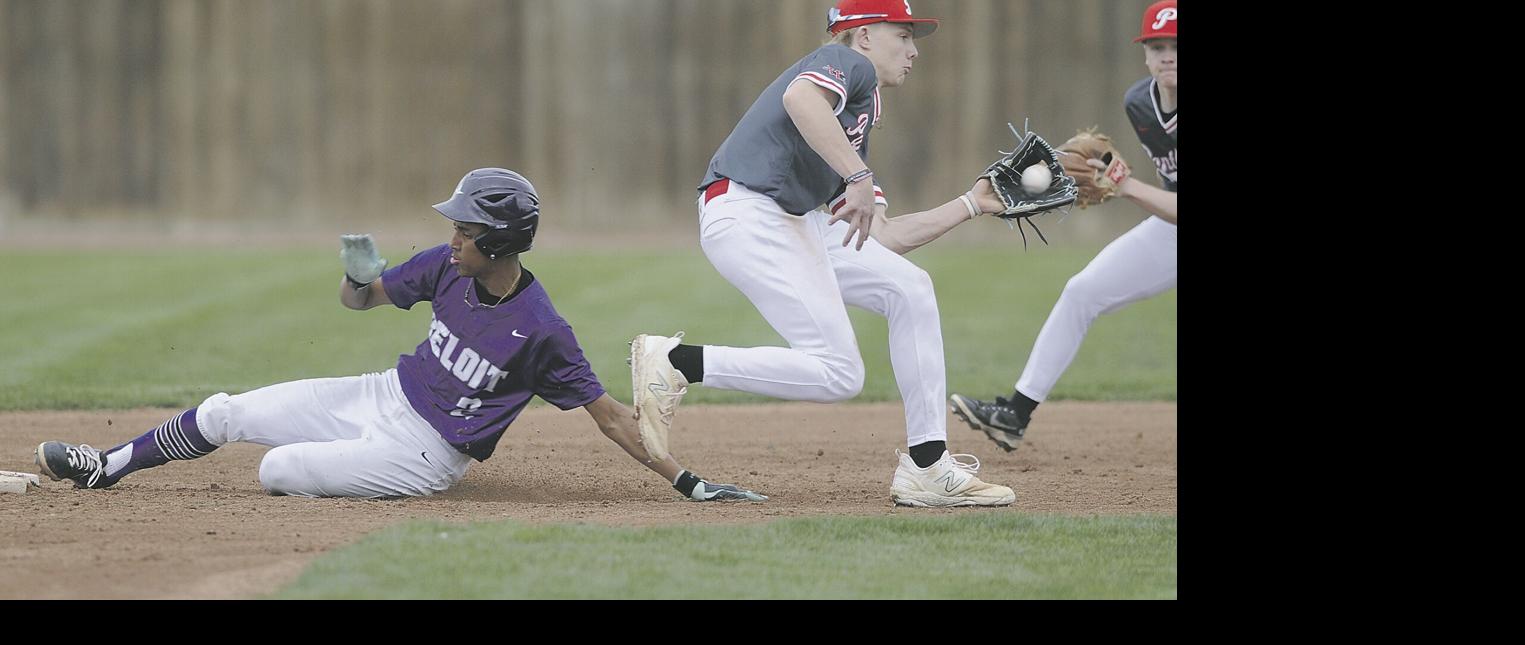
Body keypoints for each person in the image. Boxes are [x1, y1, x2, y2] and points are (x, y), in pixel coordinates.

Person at [33, 167, 765, 503]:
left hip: (426, 453)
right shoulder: (445, 267)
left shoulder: (542, 330)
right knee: (228, 410)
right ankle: (105, 465)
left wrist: (686, 480)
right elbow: (363, 300)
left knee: (276, 470)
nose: (452, 236)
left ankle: (346, 479)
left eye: (465, 227)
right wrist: (356, 277)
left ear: (502, 237)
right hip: (380, 394)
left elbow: (610, 418)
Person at [627, 0, 1015, 508]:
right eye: (902, 34)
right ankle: (677, 361)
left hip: (786, 219)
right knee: (840, 371)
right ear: (864, 35)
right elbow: (800, 97)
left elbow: (881, 237)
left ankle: (927, 466)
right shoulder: (849, 65)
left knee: (908, 286)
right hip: (750, 209)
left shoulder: (856, 116)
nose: (913, 50)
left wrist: (972, 203)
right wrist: (858, 176)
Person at [949, 0, 1179, 452]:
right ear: (1145, 55)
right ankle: (1014, 414)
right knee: (1082, 291)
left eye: (1176, 46)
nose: (1168, 55)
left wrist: (1126, 186)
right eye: (1158, 45)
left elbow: (1138, 189)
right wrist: (1113, 175)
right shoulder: (1139, 102)